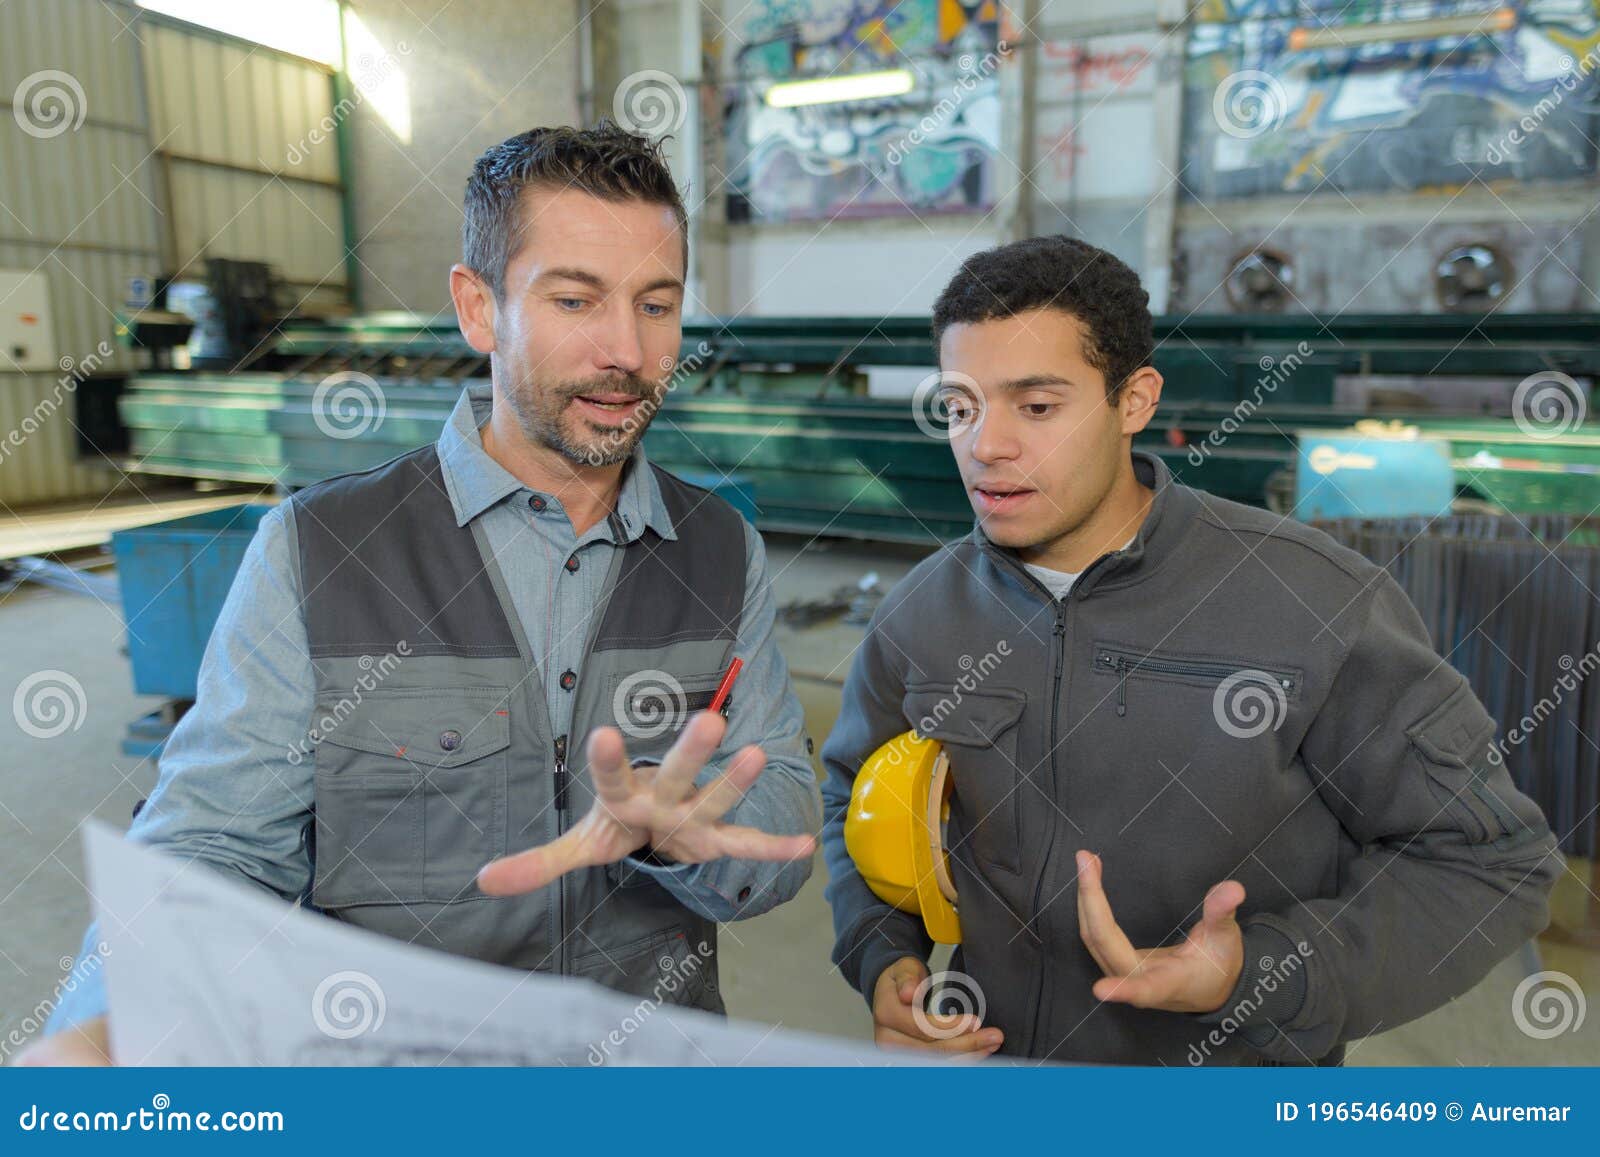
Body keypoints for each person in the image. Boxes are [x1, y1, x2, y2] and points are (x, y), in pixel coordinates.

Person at [21, 123, 819, 1066]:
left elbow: (786, 809)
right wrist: (113, 1021)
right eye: (575, 300)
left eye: (657, 304)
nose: (628, 351)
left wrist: (689, 835)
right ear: (478, 309)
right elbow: (211, 846)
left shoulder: (720, 549)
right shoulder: (321, 550)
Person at [821, 235, 1560, 1065]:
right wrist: (885, 958)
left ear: (1134, 400)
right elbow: (853, 800)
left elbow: (1491, 860)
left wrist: (1265, 972)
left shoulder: (1313, 601)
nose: (986, 445)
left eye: (1037, 407)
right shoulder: (919, 614)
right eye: (961, 407)